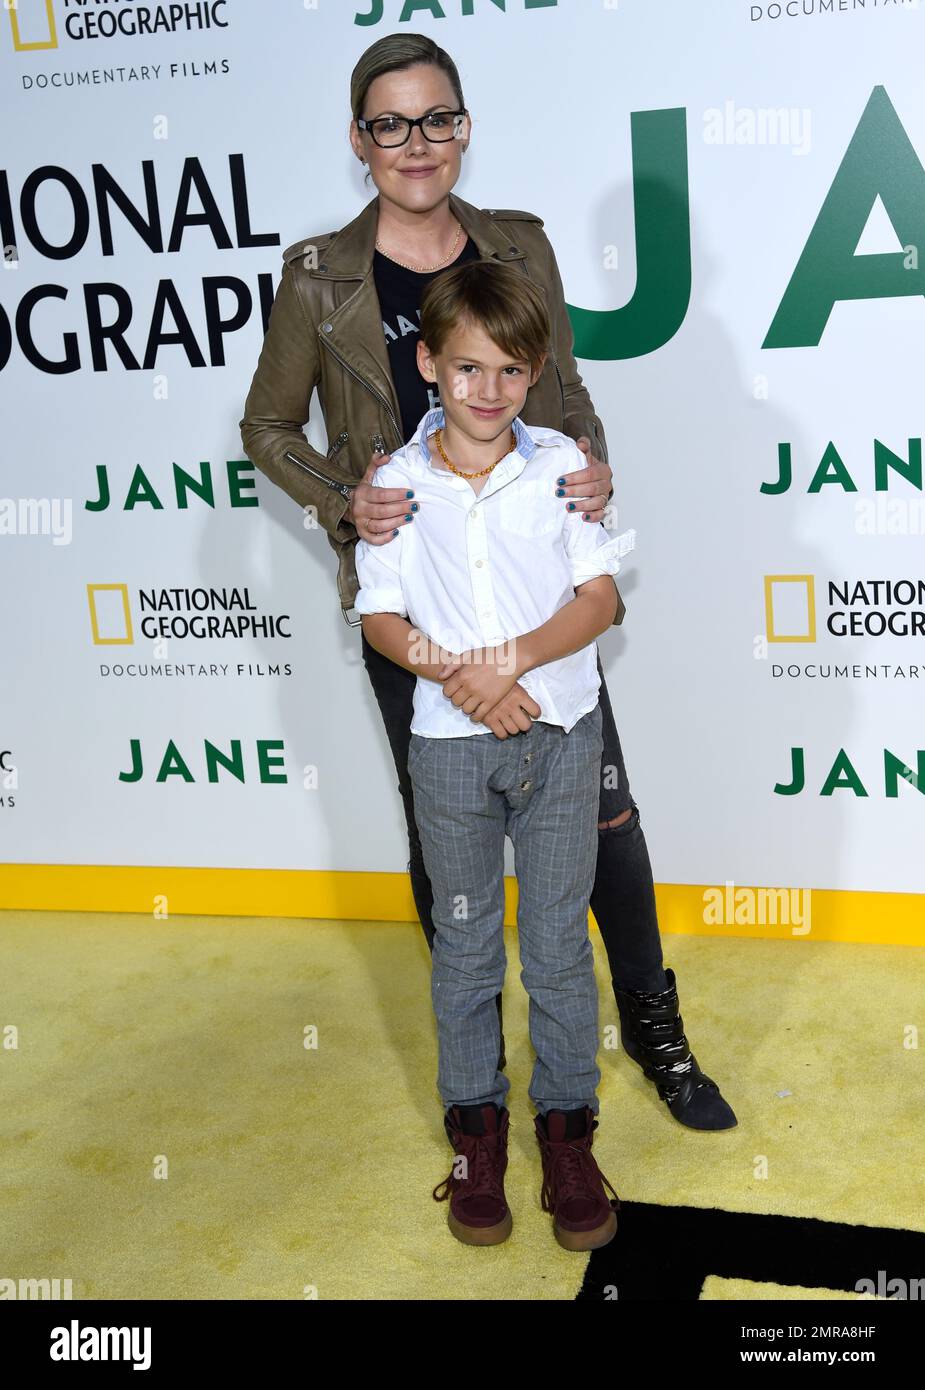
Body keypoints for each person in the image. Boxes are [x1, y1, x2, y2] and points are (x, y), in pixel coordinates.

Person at [239, 32, 735, 1132]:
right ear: (359, 140)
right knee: (445, 840)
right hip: (410, 603)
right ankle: (480, 1095)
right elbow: (267, 425)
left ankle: (654, 1034)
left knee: (606, 822)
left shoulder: (519, 245)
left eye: (437, 119)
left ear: (462, 126)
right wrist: (342, 499)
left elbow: (564, 386)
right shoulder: (320, 278)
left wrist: (591, 466)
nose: (417, 143)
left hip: (541, 597)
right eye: (390, 124)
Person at [355, 258, 621, 1249]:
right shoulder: (393, 482)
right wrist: (456, 675)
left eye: (510, 372)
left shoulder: (563, 466)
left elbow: (599, 600)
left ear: (534, 371)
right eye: (466, 369)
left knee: (555, 952)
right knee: (465, 952)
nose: (487, 391)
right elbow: (378, 612)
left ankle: (567, 1135)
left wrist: (503, 663)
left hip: (557, 735)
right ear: (428, 362)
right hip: (450, 754)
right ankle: (475, 1135)